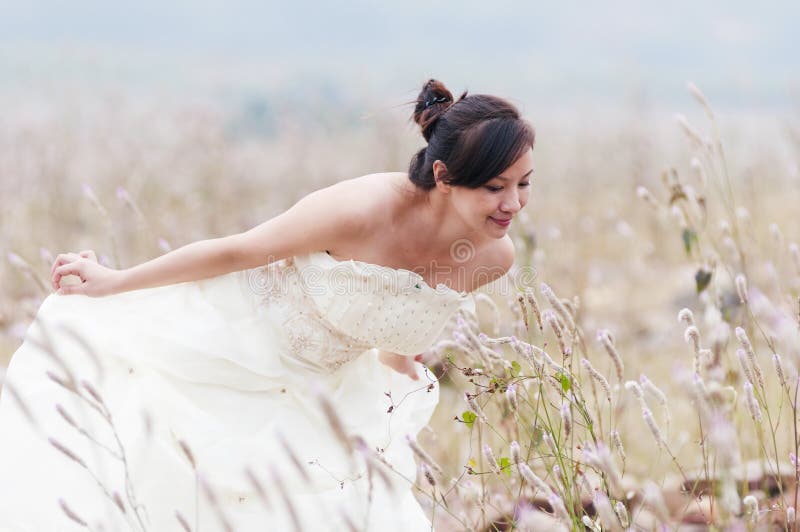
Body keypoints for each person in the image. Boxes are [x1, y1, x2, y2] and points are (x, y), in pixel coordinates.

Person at [0, 78, 535, 531]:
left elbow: (408, 323)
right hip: (230, 347)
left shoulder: (492, 257)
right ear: (443, 177)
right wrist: (116, 282)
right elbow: (238, 250)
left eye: (523, 184)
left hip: (330, 395)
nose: (513, 204)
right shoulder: (362, 209)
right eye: (494, 187)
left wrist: (395, 402)